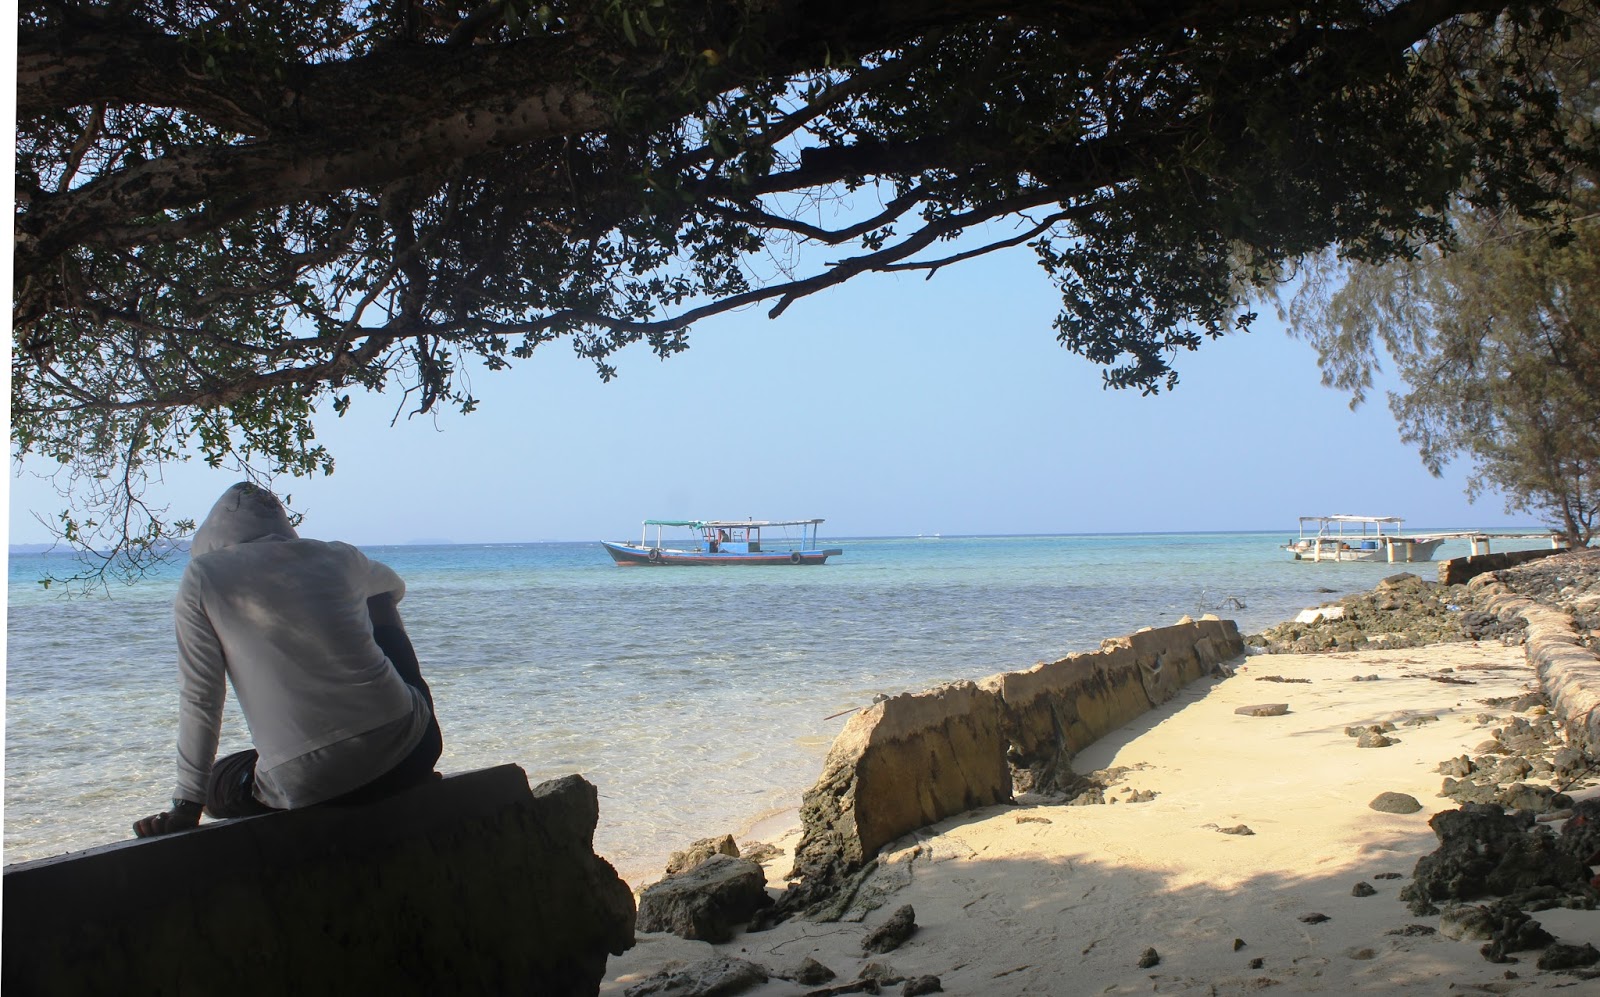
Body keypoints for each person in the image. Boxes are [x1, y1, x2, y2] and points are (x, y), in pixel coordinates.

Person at [134, 482, 443, 837]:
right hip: (415, 753)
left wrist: (187, 805)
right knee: (378, 599)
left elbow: (201, 698)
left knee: (219, 782)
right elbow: (390, 588)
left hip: (313, 784)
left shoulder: (203, 576)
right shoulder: (339, 556)